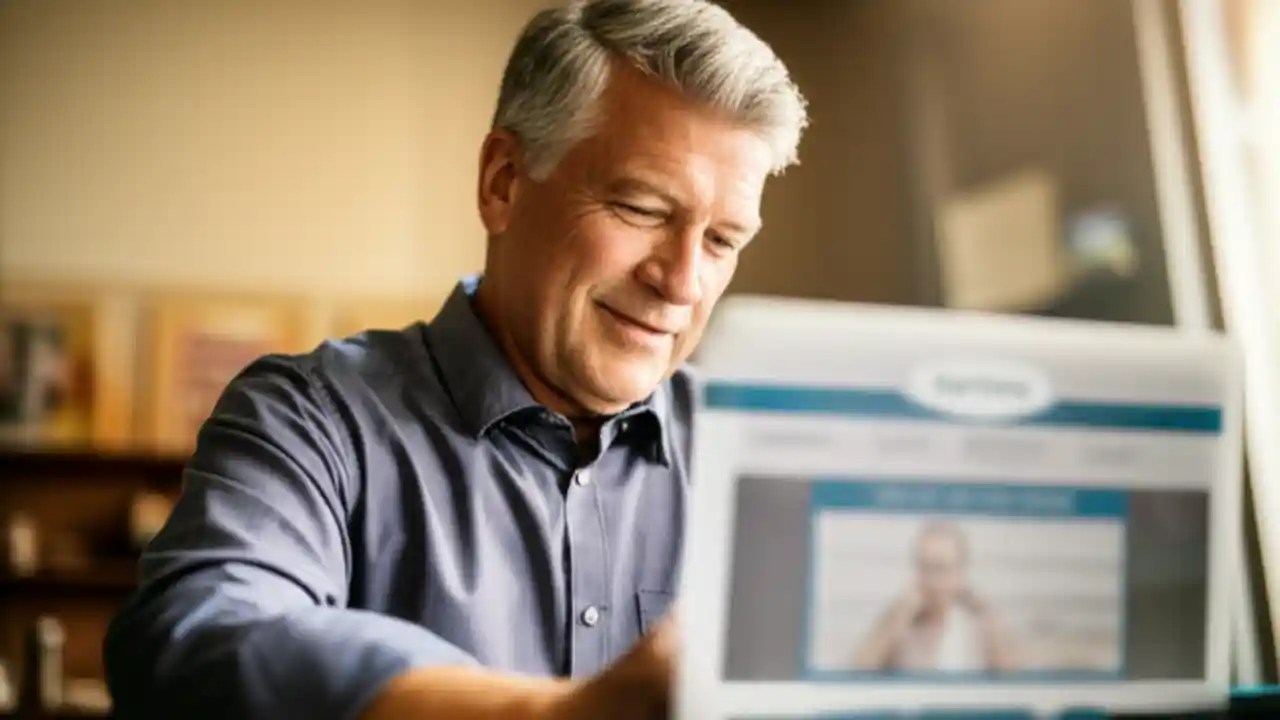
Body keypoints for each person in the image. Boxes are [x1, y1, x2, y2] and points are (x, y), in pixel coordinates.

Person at [102, 1, 807, 718]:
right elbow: (190, 640)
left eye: (722, 242)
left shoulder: (763, 452)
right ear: (502, 181)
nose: (683, 283)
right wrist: (550, 716)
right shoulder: (309, 418)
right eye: (643, 209)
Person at [852, 521, 1019, 674]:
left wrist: (987, 615)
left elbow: (1011, 676)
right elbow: (857, 673)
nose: (931, 581)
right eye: (924, 568)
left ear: (960, 572)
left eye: (940, 569)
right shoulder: (900, 623)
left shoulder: (977, 624)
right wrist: (895, 620)